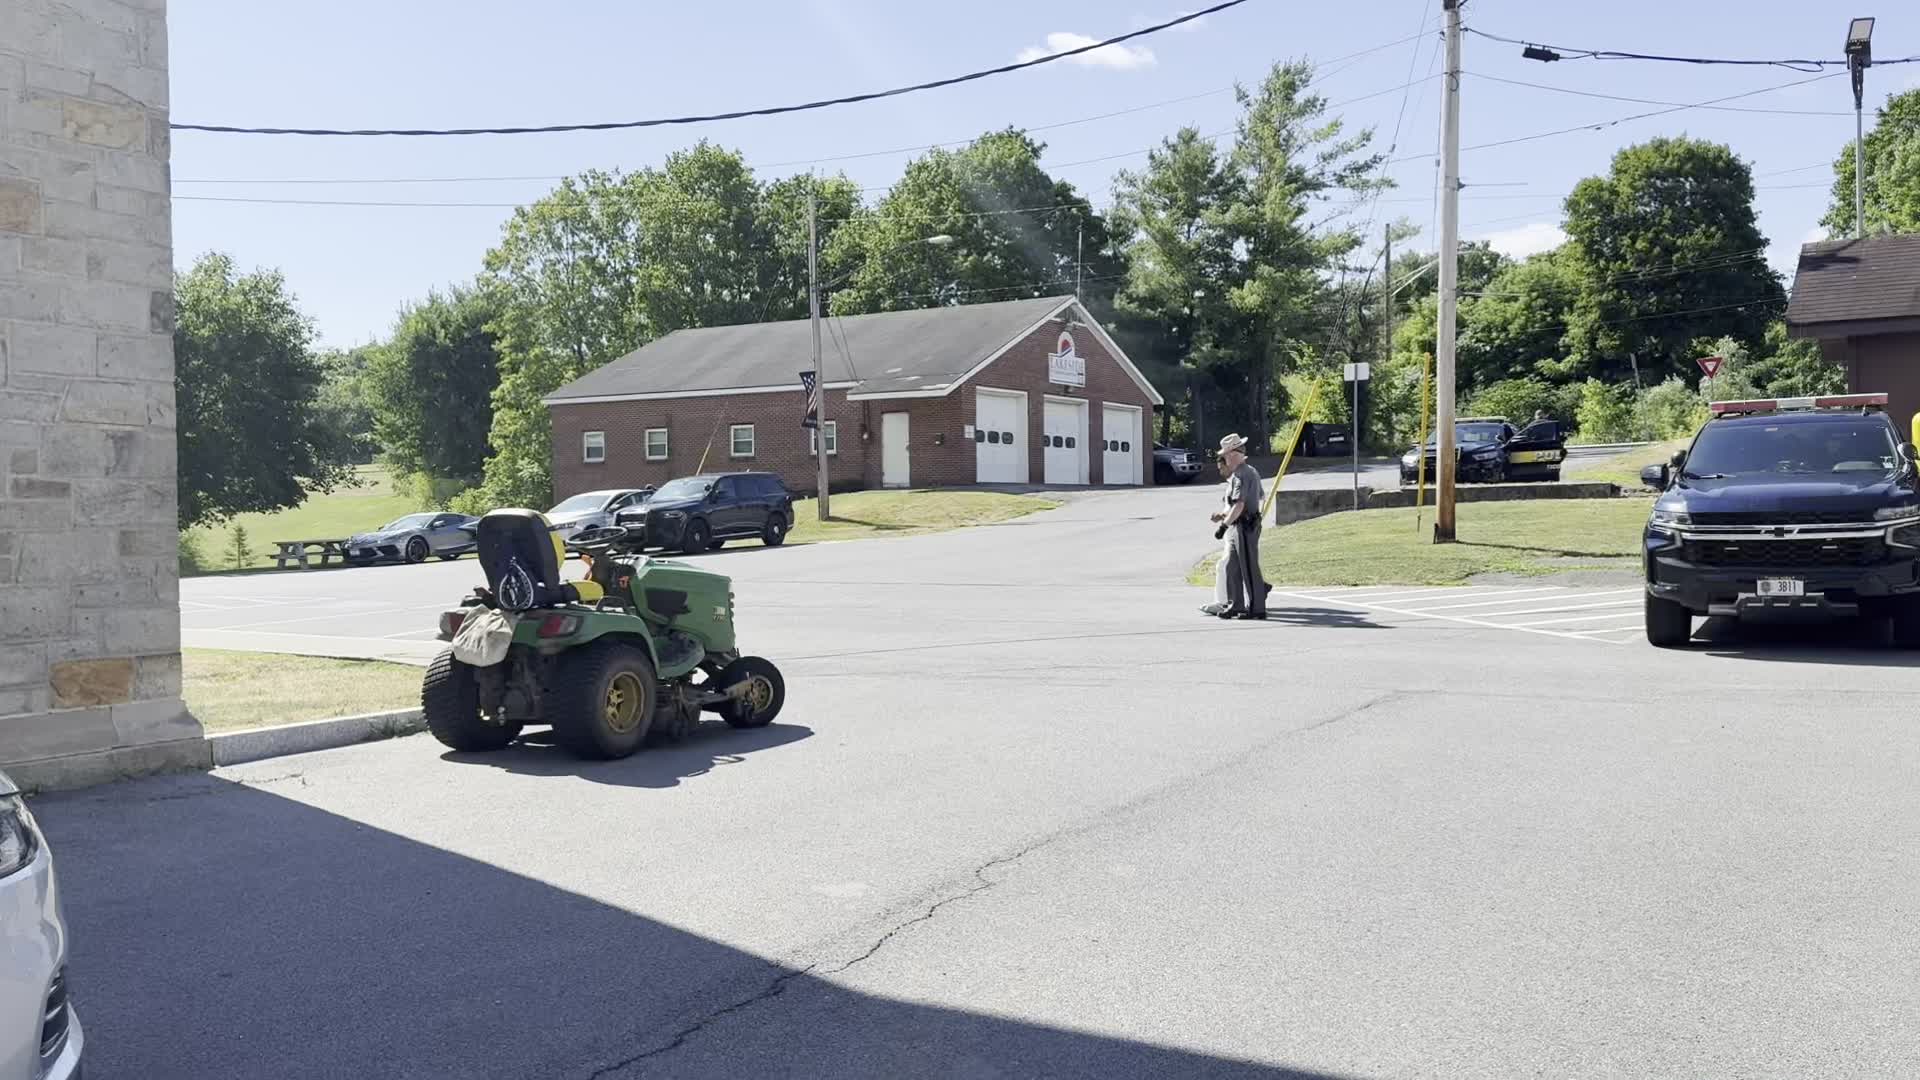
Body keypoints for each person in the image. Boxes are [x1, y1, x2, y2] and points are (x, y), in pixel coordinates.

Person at [1208, 433, 1268, 620]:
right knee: (1232, 567)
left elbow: (1239, 504)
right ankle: (1236, 605)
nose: (1225, 459)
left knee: (1248, 567)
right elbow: (1259, 497)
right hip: (1242, 524)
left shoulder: (1242, 474)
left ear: (1233, 454)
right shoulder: (1249, 472)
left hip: (1244, 525)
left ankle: (1257, 608)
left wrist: (1223, 526)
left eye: (1226, 455)